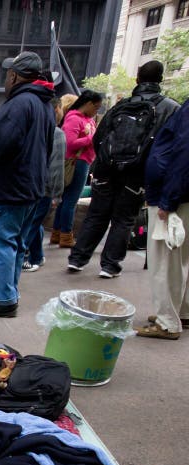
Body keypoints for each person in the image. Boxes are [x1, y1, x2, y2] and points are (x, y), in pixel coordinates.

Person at [68, 61, 179, 278]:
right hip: (137, 173)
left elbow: (100, 137)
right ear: (160, 80)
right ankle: (109, 265)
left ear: (137, 79)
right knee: (123, 218)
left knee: (97, 214)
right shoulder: (169, 108)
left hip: (107, 169)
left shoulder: (121, 106)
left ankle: (78, 258)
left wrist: (103, 162)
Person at [0, 51, 55, 318]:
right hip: (25, 190)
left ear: (14, 76)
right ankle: (7, 294)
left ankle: (0, 298)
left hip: (4, 191)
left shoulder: (20, 105)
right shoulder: (43, 105)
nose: (6, 79)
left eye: (8, 74)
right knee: (13, 244)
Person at [135, 98, 189, 340]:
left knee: (165, 260)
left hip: (174, 195)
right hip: (180, 194)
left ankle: (168, 320)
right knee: (181, 257)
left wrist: (168, 199)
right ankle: (180, 312)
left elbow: (184, 153)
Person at [49, 89, 103, 248]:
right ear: (88, 104)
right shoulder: (74, 118)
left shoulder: (86, 119)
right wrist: (90, 138)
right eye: (96, 107)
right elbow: (70, 142)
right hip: (76, 162)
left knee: (67, 200)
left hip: (81, 161)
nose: (96, 111)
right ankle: (65, 234)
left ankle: (58, 233)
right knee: (70, 200)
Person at [23, 97, 66, 272]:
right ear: (56, 109)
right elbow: (56, 167)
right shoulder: (56, 133)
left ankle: (35, 256)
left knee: (34, 222)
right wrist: (56, 192)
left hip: (30, 186)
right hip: (43, 188)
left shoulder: (35, 130)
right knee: (33, 223)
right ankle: (30, 256)